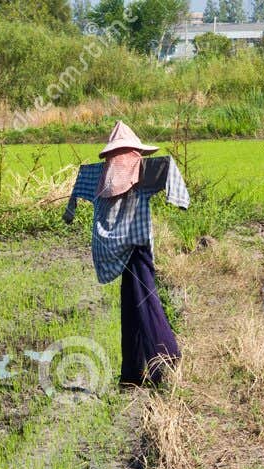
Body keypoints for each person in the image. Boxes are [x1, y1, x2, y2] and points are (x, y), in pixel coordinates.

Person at [63, 121, 190, 388]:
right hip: (137, 248)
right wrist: (179, 201)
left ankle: (131, 374)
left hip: (111, 248)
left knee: (132, 307)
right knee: (146, 299)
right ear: (135, 152)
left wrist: (69, 213)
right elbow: (168, 166)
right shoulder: (142, 171)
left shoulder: (96, 175)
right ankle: (165, 359)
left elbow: (78, 185)